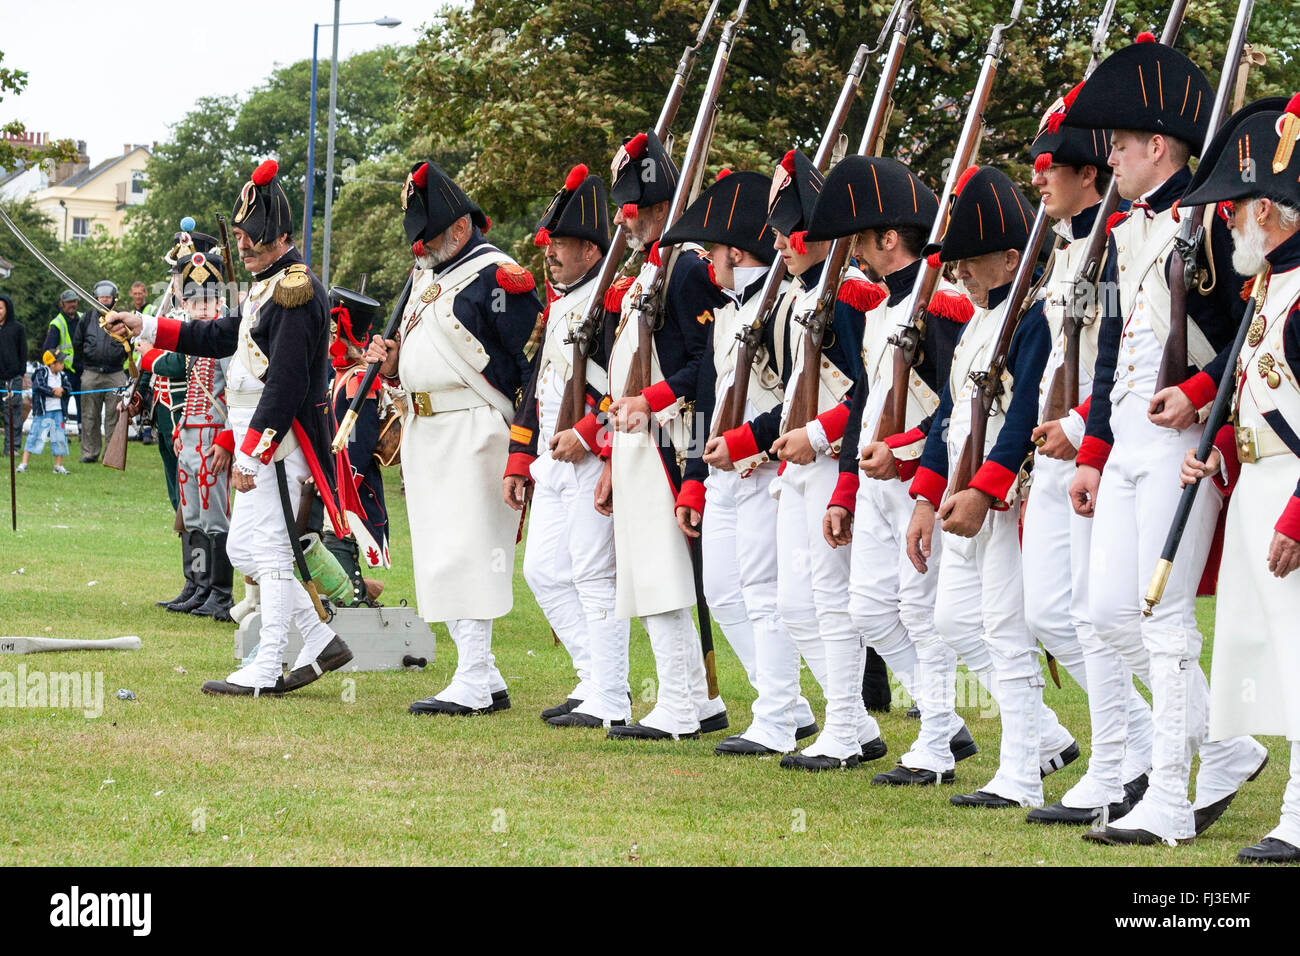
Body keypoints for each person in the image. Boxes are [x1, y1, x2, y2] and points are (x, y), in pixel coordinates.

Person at [1060, 33, 1269, 846]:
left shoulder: (1218, 220)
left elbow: (1249, 333)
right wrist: (1092, 451)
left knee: (1162, 617)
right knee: (1107, 613)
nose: (1108, 159)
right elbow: (1112, 348)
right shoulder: (1119, 232)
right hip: (1124, 445)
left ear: (1157, 145)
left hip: (1188, 442)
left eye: (1118, 146)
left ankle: (1170, 803)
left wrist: (1195, 393)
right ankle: (1226, 744)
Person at [107, 159, 353, 697]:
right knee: (248, 551)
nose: (240, 245)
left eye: (248, 236)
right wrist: (146, 324)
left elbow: (286, 383)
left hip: (275, 441)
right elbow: (218, 336)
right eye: (239, 236)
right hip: (255, 438)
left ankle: (268, 666)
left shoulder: (295, 289)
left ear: (277, 235)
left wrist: (252, 454)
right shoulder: (265, 287)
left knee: (263, 551)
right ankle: (317, 640)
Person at [905, 165, 1078, 808]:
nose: (960, 275)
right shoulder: (980, 323)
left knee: (1007, 626)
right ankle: (1047, 738)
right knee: (953, 619)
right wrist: (928, 495)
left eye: (971, 262)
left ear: (1012, 257)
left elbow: (1027, 413)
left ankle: (1020, 773)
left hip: (1001, 493)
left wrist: (986, 490)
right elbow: (951, 417)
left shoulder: (1030, 321)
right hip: (964, 488)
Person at [807, 155, 979, 785]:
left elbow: (956, 409)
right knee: (870, 612)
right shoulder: (882, 310)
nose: (855, 248)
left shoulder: (945, 307)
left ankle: (935, 742)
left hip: (917, 485)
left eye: (863, 236)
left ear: (888, 237)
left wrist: (903, 450)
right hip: (876, 485)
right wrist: (847, 486)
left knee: (916, 612)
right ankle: (976, 725)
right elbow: (863, 407)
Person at [363, 160, 541, 716]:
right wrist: (393, 367)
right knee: (443, 556)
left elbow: (528, 365)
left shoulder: (498, 276)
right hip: (427, 429)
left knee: (470, 553)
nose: (419, 248)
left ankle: (472, 676)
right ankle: (481, 674)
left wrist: (521, 443)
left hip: (474, 425)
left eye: (428, 235)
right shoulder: (429, 279)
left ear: (460, 229)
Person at [1020, 101, 1155, 824]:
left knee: (1098, 614)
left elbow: (1125, 351)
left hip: (1089, 441)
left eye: (1052, 167)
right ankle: (1138, 743)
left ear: (1087, 171)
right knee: (1051, 610)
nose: (1040, 178)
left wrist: (1080, 427)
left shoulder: (1111, 245)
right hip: (1056, 447)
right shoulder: (1067, 249)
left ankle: (1122, 760)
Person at [1175, 94, 1300, 863]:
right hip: (1260, 486)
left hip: (1290, 496)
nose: (1227, 223)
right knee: (1274, 653)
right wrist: (1223, 445)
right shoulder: (1271, 290)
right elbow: (1262, 392)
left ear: (1273, 208)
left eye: (1237, 208)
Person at [659, 168, 820, 753]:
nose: (708, 261)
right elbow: (708, 397)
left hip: (766, 467)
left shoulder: (785, 308)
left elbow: (799, 402)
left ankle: (777, 716)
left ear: (735, 251)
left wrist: (746, 443)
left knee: (764, 594)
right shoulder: (730, 312)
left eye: (714, 250)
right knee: (725, 593)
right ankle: (789, 706)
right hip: (725, 473)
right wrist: (695, 481)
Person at [595, 129, 730, 741]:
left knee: (666, 574)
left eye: (636, 210)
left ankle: (680, 702)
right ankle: (692, 701)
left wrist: (650, 402)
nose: (626, 222)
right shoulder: (654, 268)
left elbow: (709, 360)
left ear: (658, 208)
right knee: (650, 571)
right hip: (642, 436)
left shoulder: (687, 268)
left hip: (676, 434)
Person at [755, 148, 884, 770]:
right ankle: (854, 720)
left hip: (832, 459)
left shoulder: (854, 296)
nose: (776, 240)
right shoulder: (792, 296)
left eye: (786, 229)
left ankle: (841, 727)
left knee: (833, 601)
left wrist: (820, 434)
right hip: (799, 463)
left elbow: (869, 393)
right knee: (794, 605)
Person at [503, 164, 630, 727]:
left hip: (593, 456)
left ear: (592, 250)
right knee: (545, 573)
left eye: (563, 245)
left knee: (591, 573)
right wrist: (519, 458)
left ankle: (612, 694)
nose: (550, 254)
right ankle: (594, 679)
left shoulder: (611, 301)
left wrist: (592, 435)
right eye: (550, 244)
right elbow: (537, 388)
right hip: (552, 461)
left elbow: (628, 384)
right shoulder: (560, 303)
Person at [141, 251, 235, 620]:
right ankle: (196, 584)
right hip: (190, 435)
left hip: (214, 436)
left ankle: (220, 592)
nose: (199, 307)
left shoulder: (227, 339)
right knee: (193, 516)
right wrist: (180, 429)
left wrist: (226, 440)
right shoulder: (197, 340)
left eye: (207, 300)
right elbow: (187, 392)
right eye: (194, 300)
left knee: (216, 519)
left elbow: (235, 393)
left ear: (220, 302)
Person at [326, 285, 390, 603]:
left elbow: (361, 438)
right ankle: (352, 592)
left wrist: (346, 478)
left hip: (351, 476)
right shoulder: (339, 374)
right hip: (332, 471)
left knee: (340, 532)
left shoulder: (359, 378)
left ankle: (354, 595)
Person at [73, 280, 129, 463]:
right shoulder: (87, 318)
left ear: (114, 298)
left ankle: (111, 455)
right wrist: (83, 367)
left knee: (115, 416)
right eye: (101, 297)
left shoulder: (122, 318)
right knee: (89, 416)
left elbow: (130, 343)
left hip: (116, 374)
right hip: (91, 373)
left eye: (107, 297)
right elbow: (77, 344)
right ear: (95, 297)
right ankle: (90, 453)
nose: (104, 300)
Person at [18, 348, 71, 474]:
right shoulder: (42, 372)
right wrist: (54, 392)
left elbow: (69, 387)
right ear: (52, 364)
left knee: (59, 437)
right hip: (43, 411)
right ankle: (23, 463)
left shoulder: (62, 376)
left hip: (58, 412)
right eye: (60, 362)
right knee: (35, 435)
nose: (63, 364)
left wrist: (62, 390)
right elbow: (38, 386)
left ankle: (58, 466)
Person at [43, 290, 81, 421]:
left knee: (84, 407)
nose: (73, 304)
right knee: (62, 406)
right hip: (65, 372)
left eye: (74, 301)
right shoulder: (57, 323)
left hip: (83, 370)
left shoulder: (82, 318)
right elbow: (48, 351)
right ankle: (60, 432)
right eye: (69, 302)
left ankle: (83, 434)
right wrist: (55, 370)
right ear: (62, 304)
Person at [0, 292, 25, 456]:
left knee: (13, 413)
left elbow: (23, 352)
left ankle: (12, 448)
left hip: (12, 377)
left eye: (0, 308)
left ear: (7, 309)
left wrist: (21, 374)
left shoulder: (17, 328)